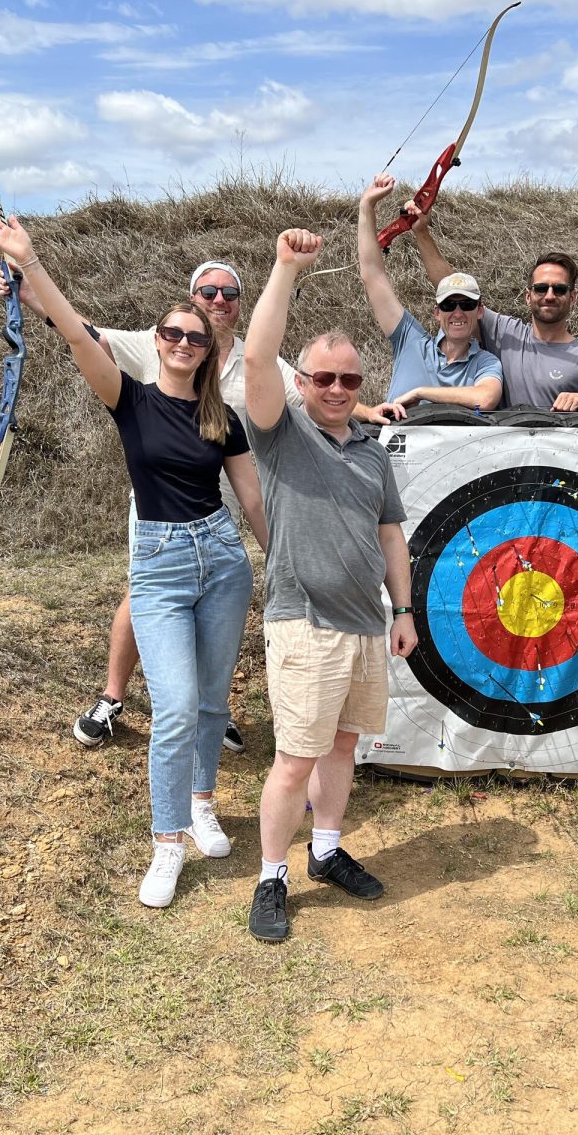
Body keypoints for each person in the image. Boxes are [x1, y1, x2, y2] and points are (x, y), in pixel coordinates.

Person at [0, 209, 269, 909]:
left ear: (208, 350)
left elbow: (253, 499)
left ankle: (202, 803)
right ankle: (167, 842)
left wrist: (280, 560)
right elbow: (78, 334)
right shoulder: (128, 398)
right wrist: (30, 264)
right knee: (175, 707)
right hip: (160, 565)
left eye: (195, 337)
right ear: (158, 341)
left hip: (222, 558)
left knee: (211, 699)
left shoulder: (221, 417)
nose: (183, 343)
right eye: (173, 333)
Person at [1, 260, 378, 752]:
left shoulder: (253, 360)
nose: (219, 300)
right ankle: (113, 696)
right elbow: (88, 337)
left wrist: (367, 410)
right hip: (159, 510)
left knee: (214, 610)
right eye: (208, 291)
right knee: (143, 596)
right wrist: (32, 295)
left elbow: (316, 389)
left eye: (229, 293)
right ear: (187, 303)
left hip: (221, 511)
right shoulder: (163, 339)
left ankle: (211, 709)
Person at [240, 226, 418, 944]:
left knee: (343, 749)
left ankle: (326, 849)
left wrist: (403, 610)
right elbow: (257, 356)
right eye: (324, 378)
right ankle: (270, 876)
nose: (338, 389)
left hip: (366, 625)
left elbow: (390, 534)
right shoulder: (280, 433)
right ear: (303, 383)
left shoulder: (372, 452)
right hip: (304, 624)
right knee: (295, 760)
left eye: (350, 380)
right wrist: (285, 268)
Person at [402, 203, 578, 412]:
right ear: (528, 296)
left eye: (559, 289)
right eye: (541, 288)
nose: (549, 296)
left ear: (573, 298)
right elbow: (452, 287)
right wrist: (422, 232)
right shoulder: (504, 333)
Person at [355, 173, 502, 413]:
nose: (457, 312)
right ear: (437, 312)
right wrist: (367, 205)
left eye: (466, 304)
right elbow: (372, 274)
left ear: (479, 312)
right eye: (448, 305)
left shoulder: (486, 363)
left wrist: (421, 393)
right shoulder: (409, 340)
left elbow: (485, 398)